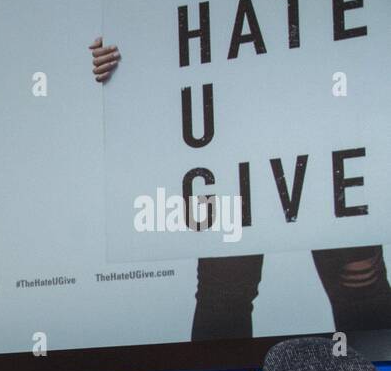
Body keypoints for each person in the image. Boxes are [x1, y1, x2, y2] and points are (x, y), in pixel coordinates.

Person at [90, 37, 391, 339]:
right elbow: (167, 13)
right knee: (225, 286)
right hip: (233, 118)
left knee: (359, 277)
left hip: (322, 103)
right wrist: (129, 47)